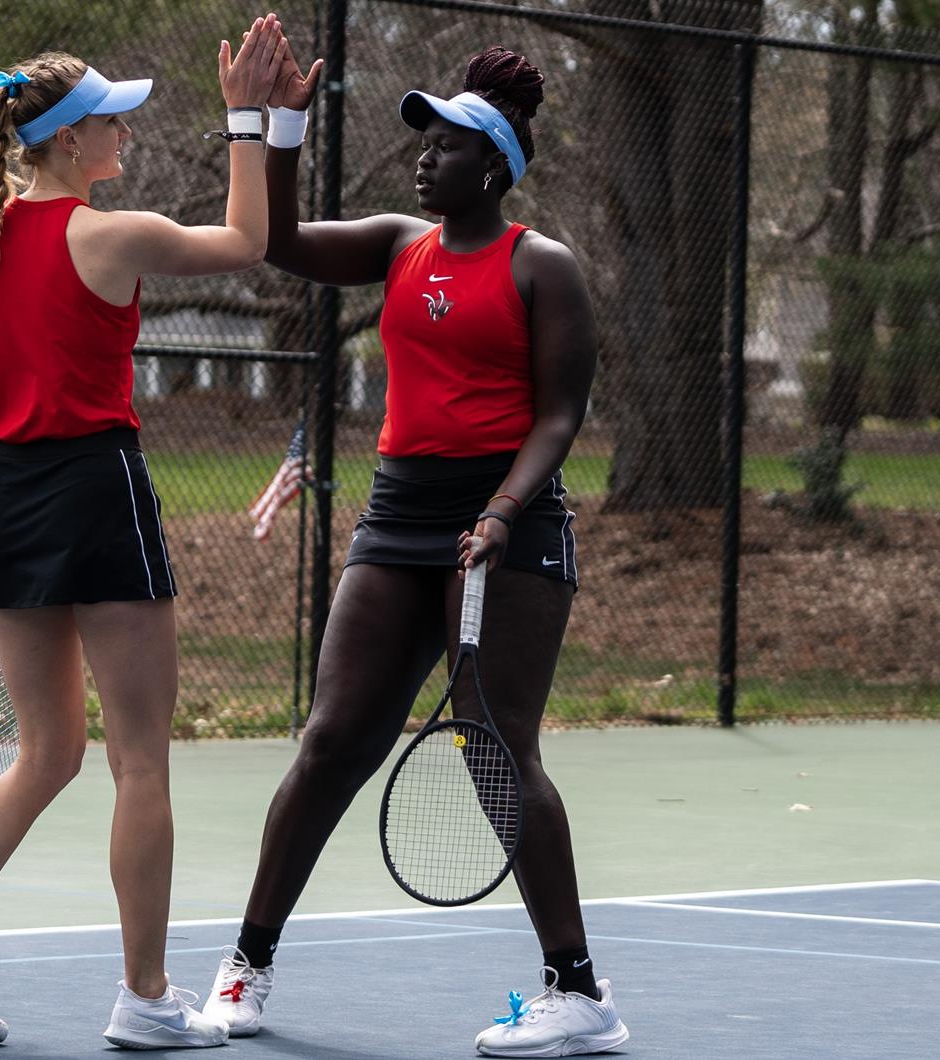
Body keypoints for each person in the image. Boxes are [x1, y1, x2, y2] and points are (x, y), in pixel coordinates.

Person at [200, 44, 628, 1057]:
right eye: (421, 146)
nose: (422, 163)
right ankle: (245, 965)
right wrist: (281, 127)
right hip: (396, 518)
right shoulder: (400, 245)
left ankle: (578, 994)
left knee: (494, 749)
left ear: (492, 164)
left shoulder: (542, 266)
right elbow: (281, 240)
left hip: (508, 527)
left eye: (442, 148)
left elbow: (561, 414)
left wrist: (502, 508)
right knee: (331, 738)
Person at [0, 16, 285, 1050]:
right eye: (109, 120)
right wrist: (250, 122)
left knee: (47, 751)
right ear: (67, 140)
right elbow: (247, 242)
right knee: (137, 759)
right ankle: (146, 997)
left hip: (9, 499)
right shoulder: (112, 234)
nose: (125, 135)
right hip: (98, 488)